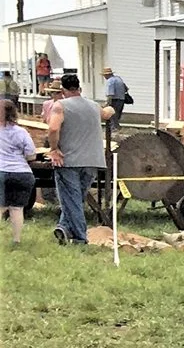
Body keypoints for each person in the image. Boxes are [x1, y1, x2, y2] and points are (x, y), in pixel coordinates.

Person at [46, 71, 106, 246]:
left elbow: (53, 129)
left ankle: (80, 238)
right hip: (92, 159)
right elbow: (107, 113)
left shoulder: (60, 106)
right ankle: (63, 227)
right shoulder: (94, 106)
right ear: (79, 88)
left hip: (69, 160)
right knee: (76, 198)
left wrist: (54, 149)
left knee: (71, 198)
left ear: (63, 91)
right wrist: (112, 107)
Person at [0, 98, 36, 244]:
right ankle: (16, 239)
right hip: (22, 173)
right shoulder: (21, 132)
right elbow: (31, 154)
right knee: (16, 208)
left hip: (1, 170)